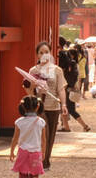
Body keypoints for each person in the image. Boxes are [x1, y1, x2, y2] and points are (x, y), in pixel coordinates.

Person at [28, 41, 67, 169]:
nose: (44, 55)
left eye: (46, 52)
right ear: (37, 55)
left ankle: (46, 160)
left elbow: (61, 89)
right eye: (41, 52)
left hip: (54, 106)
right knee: (44, 133)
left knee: (51, 136)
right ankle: (40, 160)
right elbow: (28, 90)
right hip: (39, 107)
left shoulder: (57, 70)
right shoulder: (33, 70)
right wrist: (34, 86)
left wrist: (64, 105)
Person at [10, 95, 46, 178]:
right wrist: (43, 152)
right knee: (35, 174)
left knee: (22, 176)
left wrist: (12, 151)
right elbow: (43, 140)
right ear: (38, 106)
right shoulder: (41, 122)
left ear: (23, 107)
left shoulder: (19, 122)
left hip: (22, 152)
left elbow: (15, 138)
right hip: (35, 151)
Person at [56, 37, 90, 132]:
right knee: (66, 107)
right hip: (69, 86)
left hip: (66, 87)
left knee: (68, 108)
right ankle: (66, 126)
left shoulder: (62, 56)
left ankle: (84, 125)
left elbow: (62, 72)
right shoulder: (70, 60)